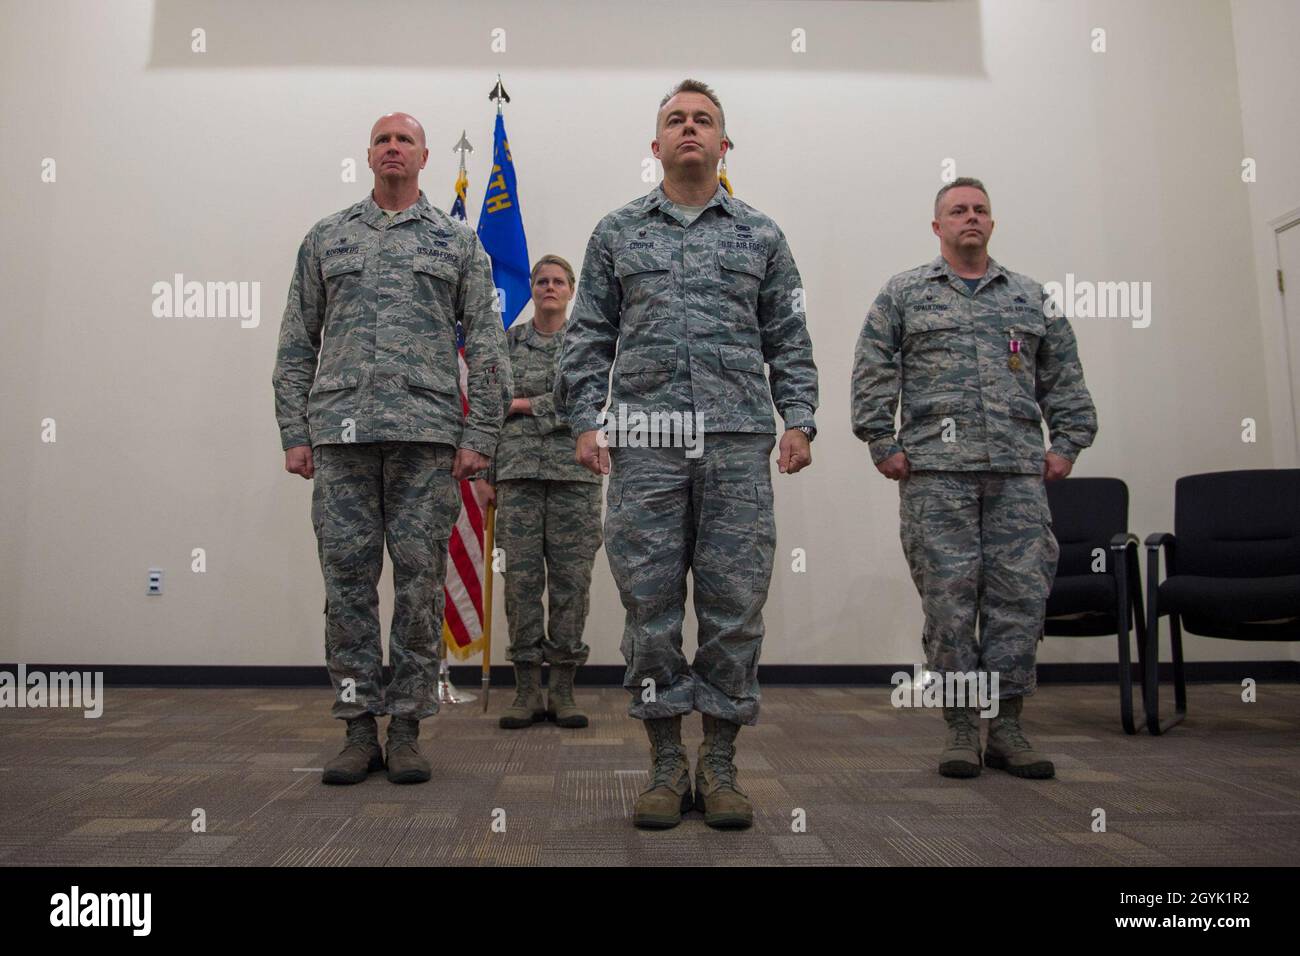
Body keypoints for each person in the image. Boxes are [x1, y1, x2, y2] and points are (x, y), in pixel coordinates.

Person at [557, 80, 819, 829]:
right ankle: (667, 761)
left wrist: (798, 418)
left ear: (725, 143)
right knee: (650, 609)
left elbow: (789, 338)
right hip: (645, 444)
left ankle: (723, 761)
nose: (690, 128)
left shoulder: (761, 236)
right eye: (676, 120)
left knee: (735, 606)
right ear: (657, 145)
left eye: (703, 119)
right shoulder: (616, 233)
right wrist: (584, 420)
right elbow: (588, 336)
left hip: (737, 441)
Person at [273, 112, 509, 785]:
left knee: (419, 588)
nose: (393, 148)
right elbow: (297, 342)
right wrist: (295, 430)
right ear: (368, 156)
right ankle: (356, 728)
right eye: (382, 139)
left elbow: (487, 345)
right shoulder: (327, 237)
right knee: (346, 588)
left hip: (426, 441)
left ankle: (405, 727)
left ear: (425, 156)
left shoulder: (456, 243)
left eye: (405, 139)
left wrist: (482, 434)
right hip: (342, 441)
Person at [851, 177, 1097, 780]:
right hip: (937, 474)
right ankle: (961, 726)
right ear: (937, 226)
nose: (970, 218)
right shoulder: (904, 294)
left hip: (1016, 474)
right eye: (957, 211)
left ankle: (1008, 727)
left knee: (1019, 599)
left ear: (993, 223)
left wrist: (1066, 444)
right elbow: (873, 369)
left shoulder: (1030, 298)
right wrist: (881, 441)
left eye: (980, 210)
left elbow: (1064, 378)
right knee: (950, 602)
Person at [475, 255, 603, 730]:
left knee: (572, 587)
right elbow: (489, 408)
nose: (550, 288)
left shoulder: (588, 345)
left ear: (571, 290)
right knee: (522, 586)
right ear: (531, 289)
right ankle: (527, 689)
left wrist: (524, 404)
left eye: (558, 282)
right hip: (517, 479)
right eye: (542, 281)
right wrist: (482, 474)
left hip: (576, 478)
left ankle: (564, 690)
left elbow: (589, 402)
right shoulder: (506, 344)